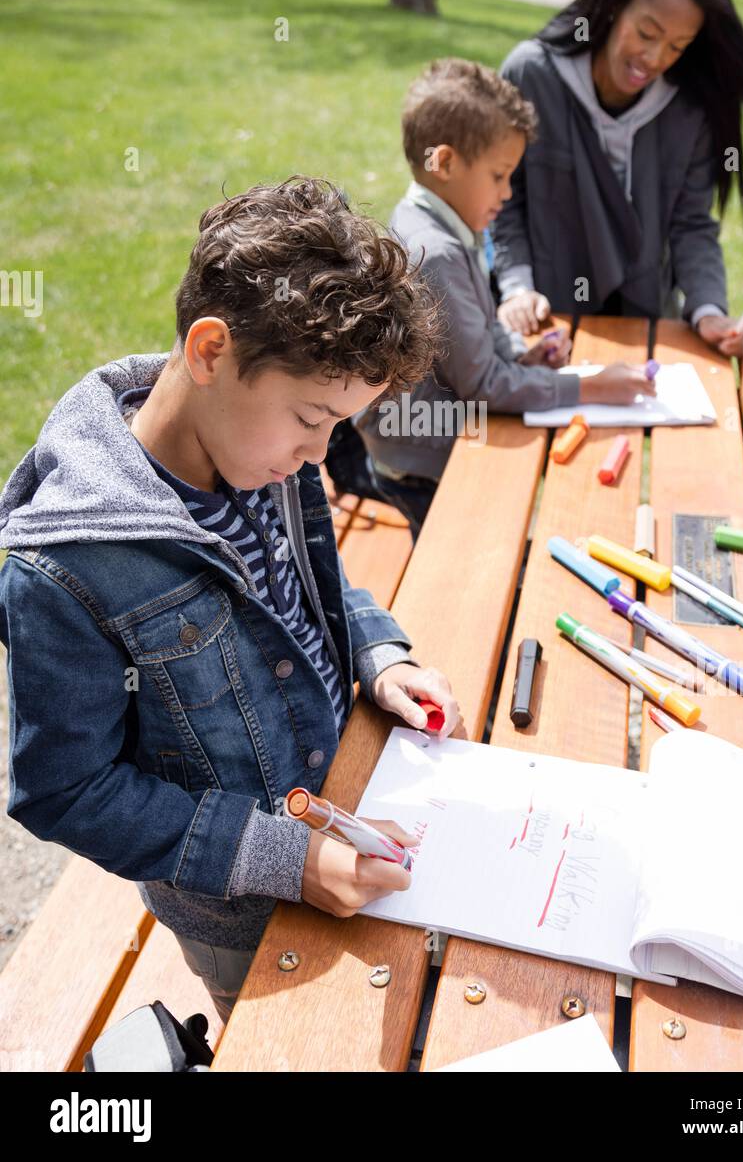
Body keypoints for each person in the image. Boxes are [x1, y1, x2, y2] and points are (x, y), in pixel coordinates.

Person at [0, 176, 458, 1026]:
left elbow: (302, 590)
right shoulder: (66, 566)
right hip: (241, 908)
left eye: (339, 428)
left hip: (352, 792)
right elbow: (63, 791)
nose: (321, 453)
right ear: (209, 351)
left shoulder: (254, 447)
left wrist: (377, 654)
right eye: (312, 417)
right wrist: (285, 860)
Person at [493, 0, 743, 358]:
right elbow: (504, 199)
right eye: (646, 33)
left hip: (650, 324)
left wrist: (708, 309)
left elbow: (691, 223)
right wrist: (517, 290)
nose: (654, 59)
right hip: (546, 325)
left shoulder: (690, 107)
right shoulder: (533, 76)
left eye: (677, 46)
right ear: (615, 4)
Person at [353, 58, 655, 539]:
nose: (507, 192)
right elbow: (486, 387)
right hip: (425, 457)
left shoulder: (438, 220)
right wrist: (594, 386)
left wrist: (520, 352)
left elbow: (477, 328)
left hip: (428, 436)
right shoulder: (437, 252)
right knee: (470, 560)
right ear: (446, 163)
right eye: (498, 176)